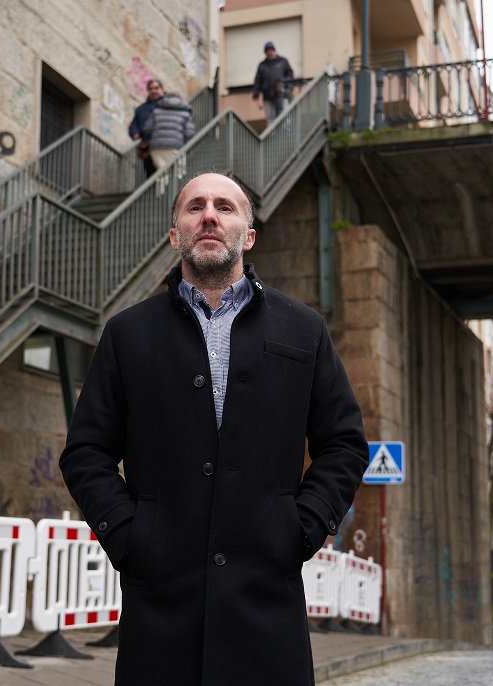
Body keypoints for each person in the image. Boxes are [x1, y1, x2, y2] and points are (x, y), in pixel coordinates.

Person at [59, 172, 369, 685]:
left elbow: (344, 443)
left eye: (225, 207)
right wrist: (132, 536)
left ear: (247, 235)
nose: (209, 215)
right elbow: (86, 451)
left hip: (266, 605)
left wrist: (302, 526)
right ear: (175, 233)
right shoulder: (127, 334)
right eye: (195, 206)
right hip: (160, 606)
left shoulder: (303, 329)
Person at [141, 91, 195, 171]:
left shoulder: (156, 111)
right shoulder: (185, 113)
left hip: (156, 148)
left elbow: (147, 129)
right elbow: (189, 133)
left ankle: (162, 183)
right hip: (176, 146)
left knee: (161, 174)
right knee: (176, 173)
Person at [128, 79, 164, 177]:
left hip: (164, 147)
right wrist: (134, 132)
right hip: (148, 149)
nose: (154, 91)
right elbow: (134, 124)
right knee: (151, 176)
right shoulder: (141, 109)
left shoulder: (169, 105)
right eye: (151, 89)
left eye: (156, 88)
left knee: (166, 175)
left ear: (162, 89)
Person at [252, 40, 294, 123]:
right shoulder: (262, 65)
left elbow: (290, 75)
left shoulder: (283, 61)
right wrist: (256, 94)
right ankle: (272, 136)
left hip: (282, 95)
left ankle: (287, 135)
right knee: (270, 119)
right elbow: (257, 81)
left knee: (285, 116)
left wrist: (283, 82)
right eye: (267, 51)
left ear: (274, 51)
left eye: (271, 50)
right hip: (268, 96)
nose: (270, 52)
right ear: (265, 53)